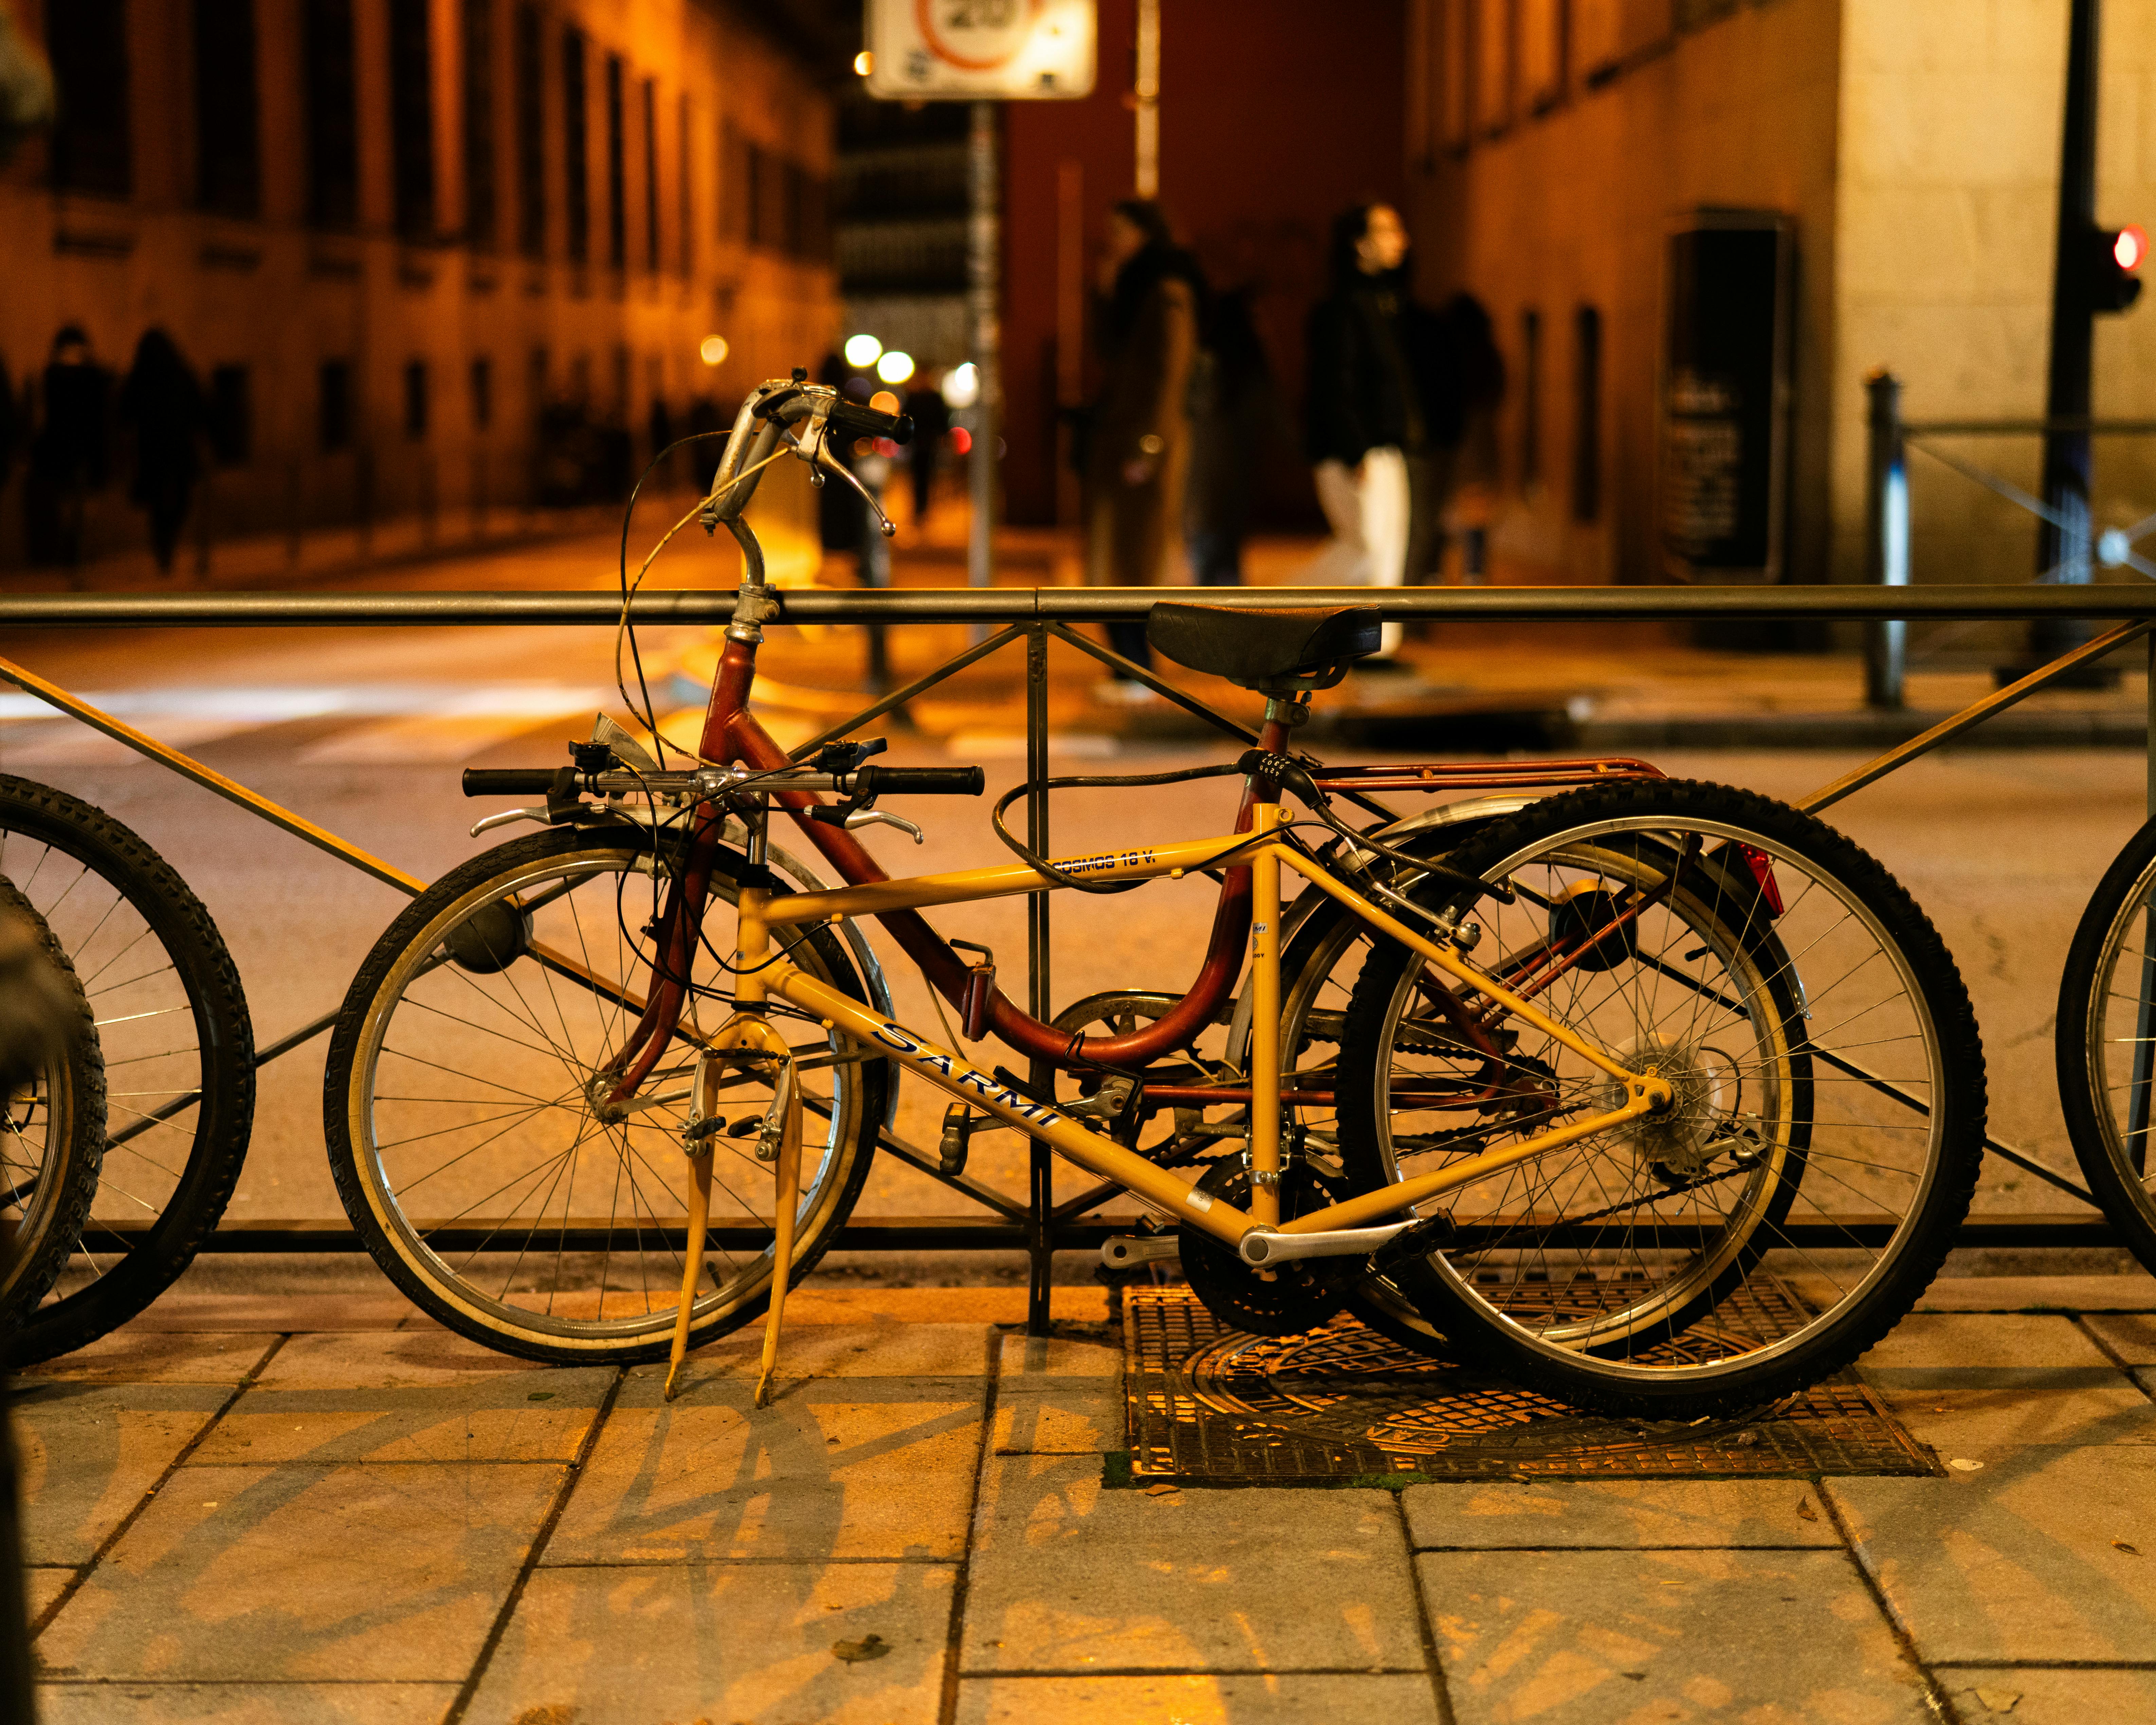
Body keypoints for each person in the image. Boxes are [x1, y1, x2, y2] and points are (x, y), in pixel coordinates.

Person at [1301, 202, 1429, 660]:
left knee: (1388, 550)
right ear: (1359, 243)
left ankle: (1378, 649)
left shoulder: (1387, 303)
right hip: (1359, 449)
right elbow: (1337, 382)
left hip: (1386, 446)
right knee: (1367, 549)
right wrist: (1355, 448)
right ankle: (1277, 609)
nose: (1400, 240)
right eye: (1387, 230)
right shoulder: (1344, 309)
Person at [1083, 198, 1202, 682]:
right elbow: (1107, 352)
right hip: (1122, 440)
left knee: (1133, 563)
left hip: (1144, 444)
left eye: (1121, 230)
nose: (1113, 240)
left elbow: (1171, 372)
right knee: (1114, 564)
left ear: (1145, 233)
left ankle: (1136, 670)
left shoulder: (1165, 287)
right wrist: (1103, 293)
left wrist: (1150, 445)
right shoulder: (1133, 288)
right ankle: (1126, 668)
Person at [1184, 285, 1279, 587]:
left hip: (1209, 479)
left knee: (1212, 557)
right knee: (1221, 558)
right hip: (1225, 478)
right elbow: (1275, 416)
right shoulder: (1245, 367)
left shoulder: (1208, 361)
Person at [118, 328, 208, 575]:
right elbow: (199, 410)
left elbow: (125, 414)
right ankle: (165, 548)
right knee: (176, 503)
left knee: (162, 508)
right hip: (176, 451)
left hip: (154, 453)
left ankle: (164, 548)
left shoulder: (140, 378)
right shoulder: (181, 375)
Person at [26, 325, 110, 577]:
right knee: (87, 507)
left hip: (61, 450)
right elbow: (102, 417)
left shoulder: (52, 374)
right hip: (89, 450)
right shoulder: (95, 375)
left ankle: (73, 552)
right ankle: (81, 552)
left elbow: (45, 416)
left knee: (66, 505)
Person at [1438, 293, 1505, 584]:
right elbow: (1498, 389)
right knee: (1477, 506)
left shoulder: (1443, 352)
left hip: (1449, 431)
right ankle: (1474, 571)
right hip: (1479, 432)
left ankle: (1434, 572)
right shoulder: (1486, 351)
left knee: (1441, 505)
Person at [902, 374, 950, 528]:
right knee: (921, 478)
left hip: (925, 444)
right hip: (922, 444)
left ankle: (922, 509)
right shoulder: (924, 398)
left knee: (924, 477)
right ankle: (920, 509)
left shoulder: (921, 398)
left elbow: (942, 420)